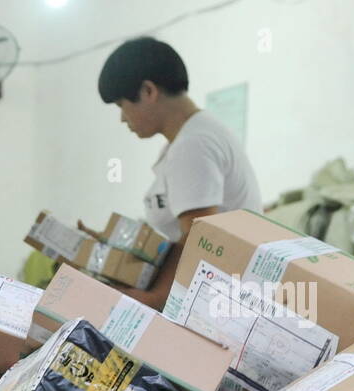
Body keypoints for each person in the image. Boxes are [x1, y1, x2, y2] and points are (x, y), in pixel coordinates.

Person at [96, 37, 262, 309]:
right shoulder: (192, 137)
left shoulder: (193, 145)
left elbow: (201, 241)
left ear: (148, 91)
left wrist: (154, 299)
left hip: (220, 302)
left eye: (121, 106)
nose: (122, 119)